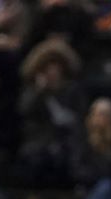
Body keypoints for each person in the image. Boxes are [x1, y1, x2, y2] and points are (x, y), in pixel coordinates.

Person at [16, 37, 86, 190]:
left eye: (55, 67)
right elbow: (24, 110)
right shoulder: (33, 92)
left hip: (66, 143)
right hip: (39, 143)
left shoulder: (72, 91)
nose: (52, 72)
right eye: (48, 68)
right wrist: (38, 91)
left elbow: (78, 119)